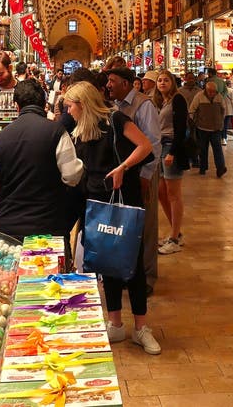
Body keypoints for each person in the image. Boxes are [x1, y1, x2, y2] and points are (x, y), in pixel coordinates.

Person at [64, 82, 160, 355]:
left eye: (71, 105)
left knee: (132, 264)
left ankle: (141, 328)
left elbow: (145, 146)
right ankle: (115, 323)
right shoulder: (81, 132)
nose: (68, 111)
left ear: (83, 104)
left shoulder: (116, 120)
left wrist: (123, 167)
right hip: (95, 203)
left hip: (124, 202)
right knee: (107, 264)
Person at [0, 79, 84, 240]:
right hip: (50, 228)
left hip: (9, 230)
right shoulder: (56, 132)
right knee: (49, 266)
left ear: (16, 106)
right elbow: (72, 176)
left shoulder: (0, 139)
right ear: (44, 105)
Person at [106, 68, 161, 297]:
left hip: (143, 173)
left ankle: (147, 276)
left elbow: (153, 143)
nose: (108, 85)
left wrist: (145, 176)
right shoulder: (117, 106)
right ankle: (129, 271)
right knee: (130, 224)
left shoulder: (143, 105)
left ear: (126, 84)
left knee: (146, 224)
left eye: (112, 81)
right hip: (127, 174)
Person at [154, 70, 189, 255]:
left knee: (174, 194)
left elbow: (181, 128)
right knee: (161, 192)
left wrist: (173, 152)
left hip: (171, 148)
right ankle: (176, 232)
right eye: (159, 80)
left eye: (166, 80)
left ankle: (175, 238)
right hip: (161, 147)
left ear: (172, 82)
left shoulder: (178, 99)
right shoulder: (162, 102)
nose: (162, 83)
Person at [189, 80, 227, 177]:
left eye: (214, 91)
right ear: (206, 90)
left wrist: (221, 121)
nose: (212, 93)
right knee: (202, 149)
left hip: (216, 128)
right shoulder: (199, 96)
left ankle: (220, 168)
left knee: (217, 148)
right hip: (202, 128)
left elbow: (223, 109)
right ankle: (203, 167)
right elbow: (192, 110)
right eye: (210, 91)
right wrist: (195, 122)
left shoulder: (219, 97)